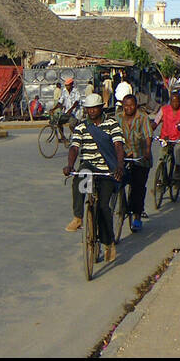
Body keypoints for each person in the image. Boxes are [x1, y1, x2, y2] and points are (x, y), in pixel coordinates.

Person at [62, 93, 126, 263]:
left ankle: (108, 242)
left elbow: (118, 146)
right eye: (88, 108)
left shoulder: (112, 124)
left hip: (107, 169)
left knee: (104, 207)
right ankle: (78, 217)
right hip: (89, 166)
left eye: (94, 108)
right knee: (81, 176)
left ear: (101, 108)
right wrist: (70, 165)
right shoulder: (82, 127)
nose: (91, 111)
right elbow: (74, 148)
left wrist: (119, 166)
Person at [116, 93, 152, 230]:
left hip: (140, 157)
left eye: (131, 105)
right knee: (117, 179)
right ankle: (121, 205)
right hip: (124, 155)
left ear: (136, 105)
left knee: (138, 187)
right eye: (126, 105)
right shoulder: (118, 117)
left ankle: (137, 217)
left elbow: (148, 135)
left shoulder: (142, 117)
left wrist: (148, 151)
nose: (128, 108)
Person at [158, 93, 180, 190]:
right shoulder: (164, 110)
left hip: (179, 140)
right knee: (161, 157)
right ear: (170, 101)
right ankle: (160, 179)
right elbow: (156, 122)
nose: (175, 103)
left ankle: (177, 169)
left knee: (178, 150)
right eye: (173, 101)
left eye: (177, 101)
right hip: (166, 138)